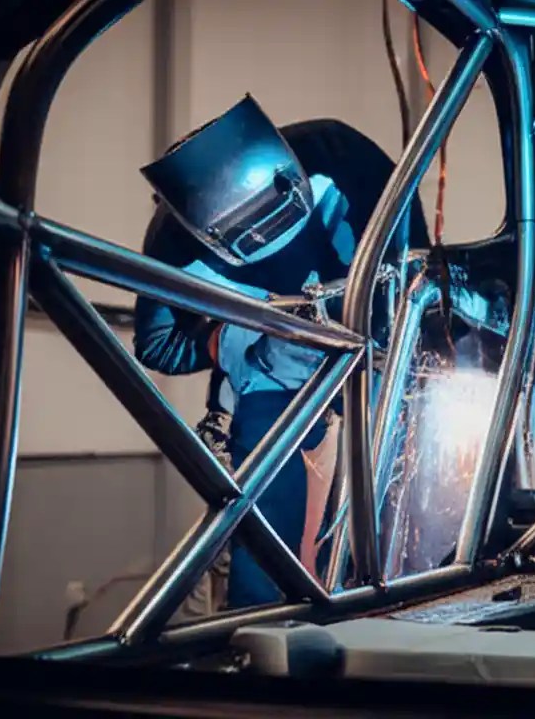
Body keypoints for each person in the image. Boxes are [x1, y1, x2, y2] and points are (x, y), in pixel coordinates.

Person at [133, 94, 426, 611]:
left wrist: (360, 335)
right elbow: (157, 344)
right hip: (271, 408)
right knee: (266, 587)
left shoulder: (345, 158)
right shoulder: (172, 246)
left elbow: (414, 275)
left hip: (376, 384)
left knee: (394, 557)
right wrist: (243, 344)